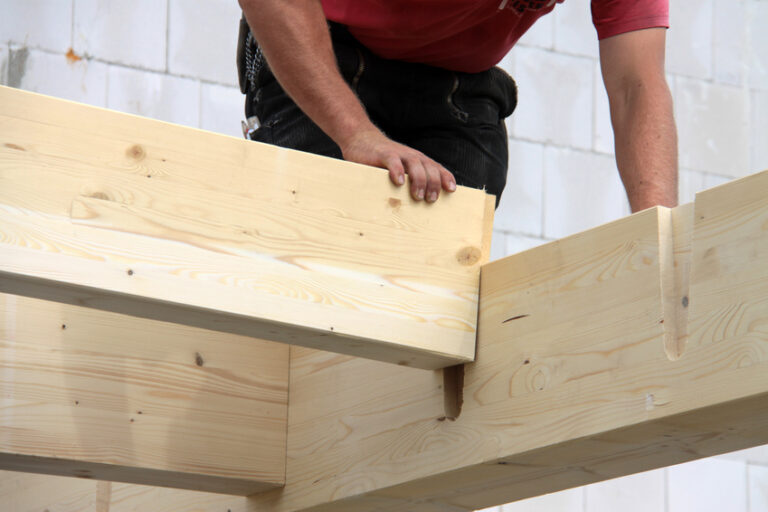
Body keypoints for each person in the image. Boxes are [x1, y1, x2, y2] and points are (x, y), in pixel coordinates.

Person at [236, 1, 678, 212]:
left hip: (458, 88)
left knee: (442, 303)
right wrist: (356, 132)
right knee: (320, 260)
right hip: (328, 47)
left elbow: (635, 84)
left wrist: (657, 230)